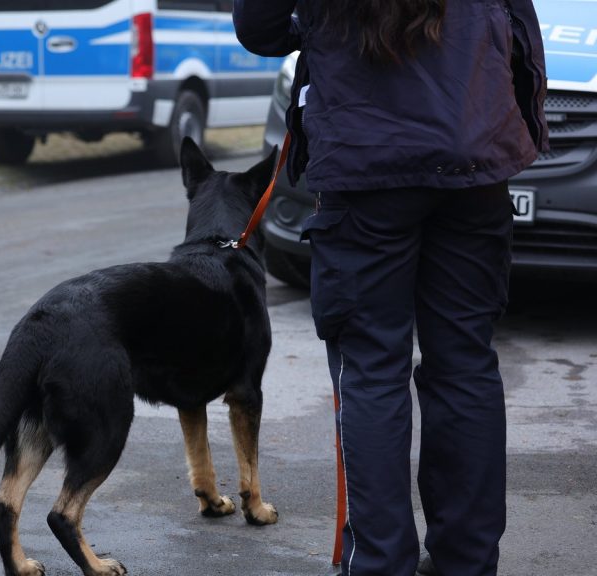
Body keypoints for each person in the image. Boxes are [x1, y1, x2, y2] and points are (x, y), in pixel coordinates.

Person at [232, 1, 548, 575]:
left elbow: (261, 28)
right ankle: (467, 561)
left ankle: (379, 562)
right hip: (472, 159)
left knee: (371, 372)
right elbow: (520, 29)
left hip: (366, 165)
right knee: (465, 367)